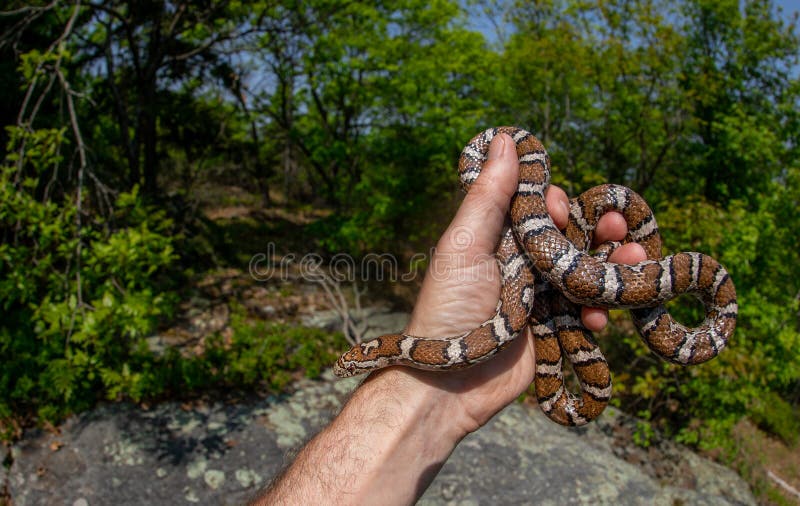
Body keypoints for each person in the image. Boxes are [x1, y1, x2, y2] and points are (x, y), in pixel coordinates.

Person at [252, 133, 647, 505]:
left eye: (353, 363)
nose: (350, 367)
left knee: (575, 250)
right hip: (521, 312)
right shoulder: (428, 345)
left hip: (530, 279)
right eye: (352, 365)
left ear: (372, 356)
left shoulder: (518, 168)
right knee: (573, 268)